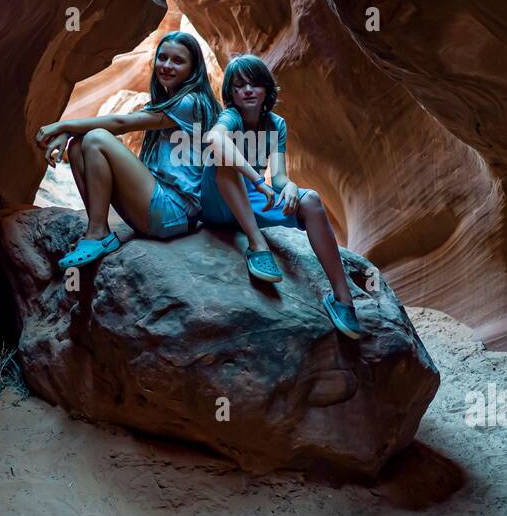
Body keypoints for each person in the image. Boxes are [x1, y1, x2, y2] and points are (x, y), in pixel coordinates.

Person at [200, 54, 363, 339]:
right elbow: (214, 139)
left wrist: (287, 186)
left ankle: (342, 299)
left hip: (250, 200)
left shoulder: (276, 125)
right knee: (221, 156)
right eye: (238, 86)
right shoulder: (231, 117)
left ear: (266, 89)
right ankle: (257, 245)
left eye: (254, 83)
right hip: (219, 199)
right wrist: (255, 179)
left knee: (310, 199)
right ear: (230, 93)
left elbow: (278, 177)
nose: (247, 90)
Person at [34, 31, 220, 268]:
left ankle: (98, 234)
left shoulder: (191, 102)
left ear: (194, 69)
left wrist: (63, 125)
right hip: (158, 205)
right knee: (79, 145)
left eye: (178, 60)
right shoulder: (164, 103)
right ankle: (98, 229)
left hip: (173, 213)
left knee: (97, 139)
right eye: (162, 57)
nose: (167, 65)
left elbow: (121, 124)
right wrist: (70, 134)